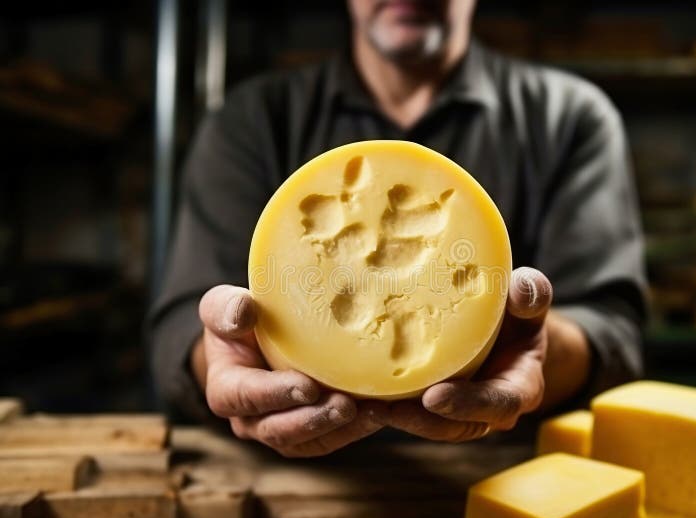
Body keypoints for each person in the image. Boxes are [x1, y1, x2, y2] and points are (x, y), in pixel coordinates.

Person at [147, 0, 647, 457]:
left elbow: (614, 334)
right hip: (293, 478)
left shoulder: (571, 118)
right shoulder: (251, 120)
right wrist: (226, 361)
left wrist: (521, 345)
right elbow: (180, 329)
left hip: (498, 475)